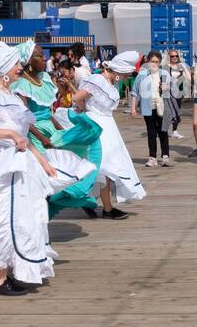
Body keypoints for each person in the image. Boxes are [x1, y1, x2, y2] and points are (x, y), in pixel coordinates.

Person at [0, 42, 91, 295]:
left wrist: (43, 160)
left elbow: (24, 133)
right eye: (16, 64)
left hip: (18, 161)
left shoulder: (10, 95)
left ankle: (11, 269)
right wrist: (8, 133)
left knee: (20, 218)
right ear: (5, 68)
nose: (20, 67)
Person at [11, 39, 102, 218]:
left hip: (50, 129)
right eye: (39, 56)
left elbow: (47, 110)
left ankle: (70, 194)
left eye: (43, 55)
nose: (44, 59)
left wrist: (60, 128)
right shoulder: (21, 84)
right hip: (34, 132)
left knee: (90, 145)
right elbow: (23, 117)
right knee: (49, 173)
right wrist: (42, 138)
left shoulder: (44, 79)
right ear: (28, 61)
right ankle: (46, 212)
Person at [74, 50, 146, 216]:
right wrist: (88, 113)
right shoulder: (98, 80)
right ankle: (104, 207)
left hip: (108, 127)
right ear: (119, 71)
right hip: (97, 126)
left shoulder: (112, 82)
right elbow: (77, 98)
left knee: (106, 167)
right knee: (104, 166)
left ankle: (91, 201)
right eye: (127, 74)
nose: (128, 77)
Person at [130, 51, 171, 167]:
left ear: (160, 63)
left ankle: (165, 156)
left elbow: (173, 91)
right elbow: (134, 92)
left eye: (157, 62)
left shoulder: (165, 74)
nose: (154, 64)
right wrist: (133, 108)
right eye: (152, 61)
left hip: (162, 106)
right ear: (148, 62)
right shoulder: (142, 75)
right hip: (148, 107)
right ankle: (152, 157)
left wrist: (166, 88)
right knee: (151, 132)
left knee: (163, 131)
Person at [162, 49, 189, 140]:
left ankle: (174, 131)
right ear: (169, 57)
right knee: (168, 112)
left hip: (178, 93)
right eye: (172, 56)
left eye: (176, 56)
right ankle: (163, 130)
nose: (174, 58)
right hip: (168, 93)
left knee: (177, 111)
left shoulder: (181, 67)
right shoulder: (165, 67)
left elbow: (185, 79)